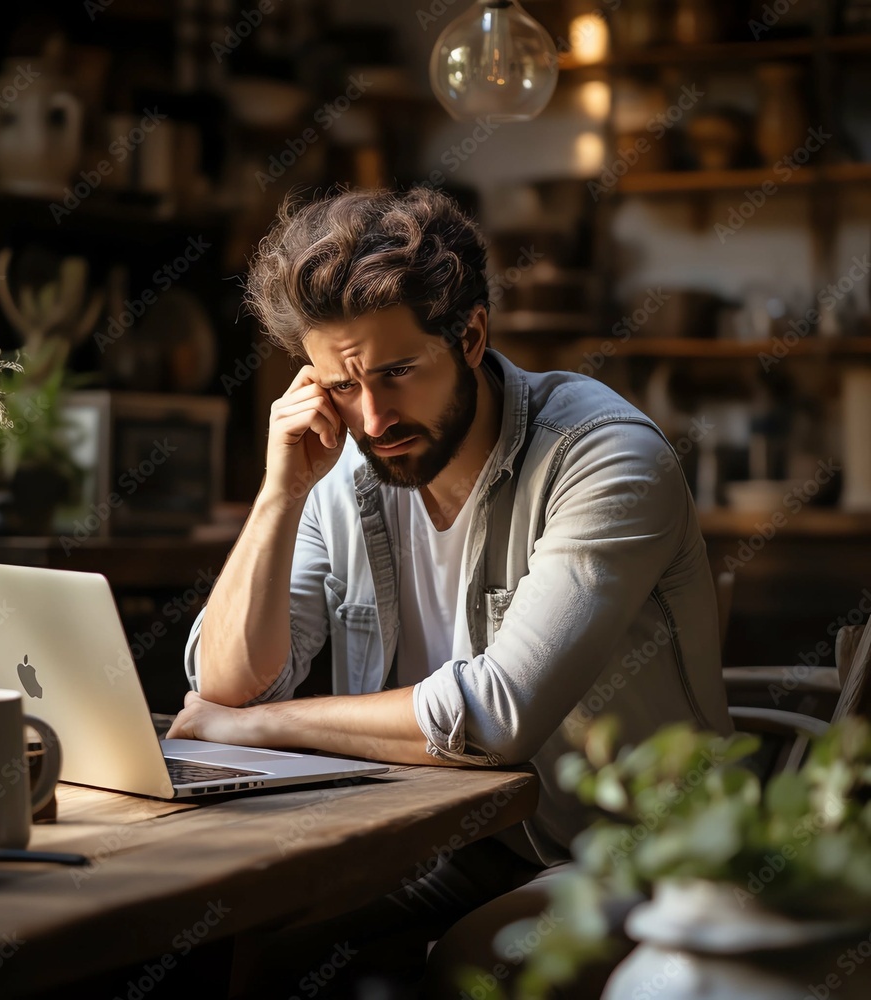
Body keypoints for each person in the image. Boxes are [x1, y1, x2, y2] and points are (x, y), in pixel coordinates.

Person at [168, 185, 731, 996]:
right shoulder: (340, 471)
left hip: (636, 849)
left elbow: (498, 714)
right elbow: (222, 686)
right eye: (340, 386)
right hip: (441, 844)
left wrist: (256, 727)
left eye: (398, 372)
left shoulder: (604, 457)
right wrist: (278, 495)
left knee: (481, 965)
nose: (373, 417)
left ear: (470, 334)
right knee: (236, 945)